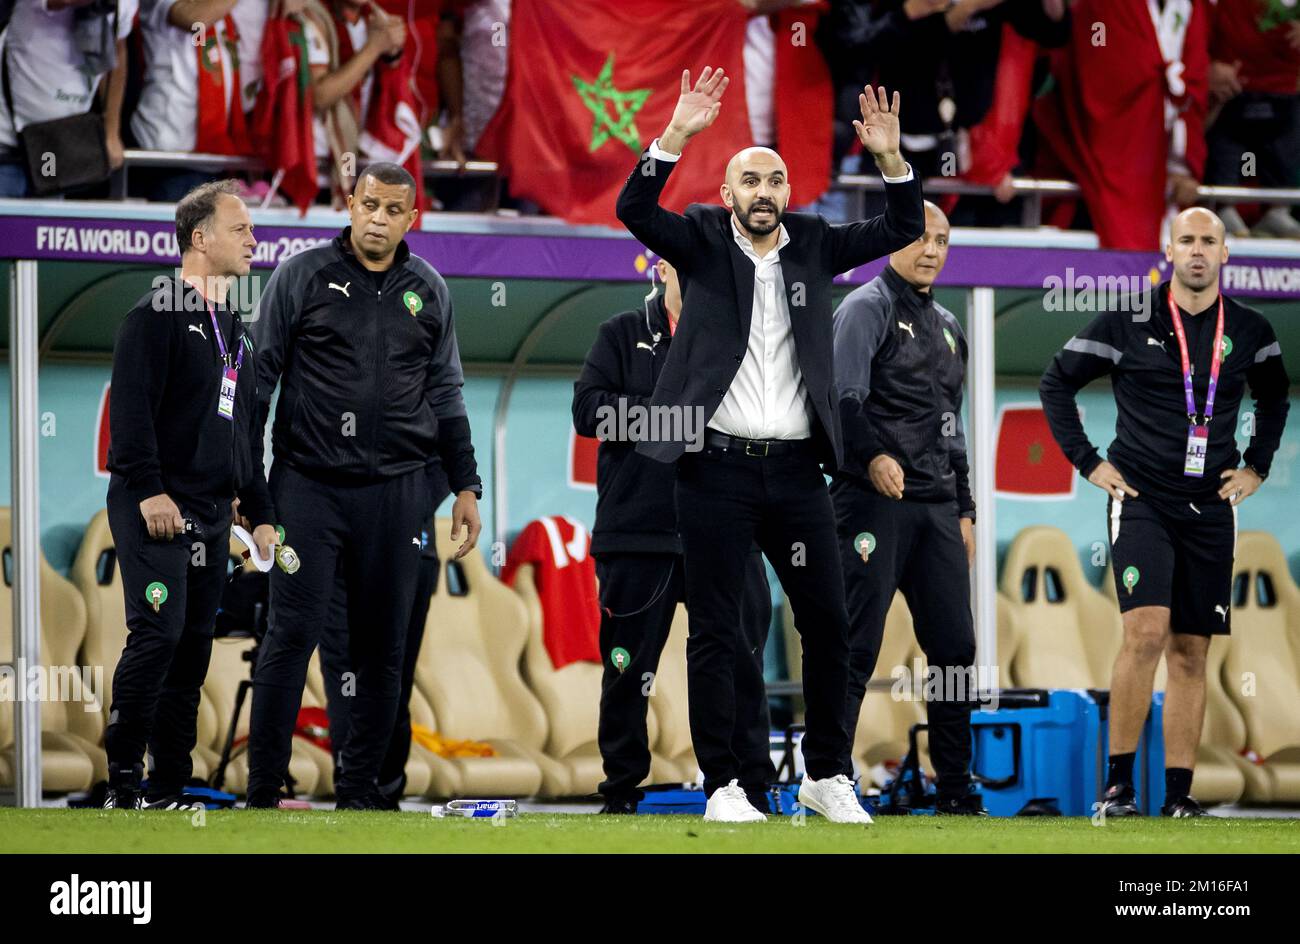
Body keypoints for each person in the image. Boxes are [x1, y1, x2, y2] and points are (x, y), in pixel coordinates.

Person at [615, 68, 924, 823]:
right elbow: (631, 207)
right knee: (720, 631)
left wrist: (890, 160)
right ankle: (723, 785)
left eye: (775, 179)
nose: (762, 189)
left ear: (788, 195)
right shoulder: (696, 238)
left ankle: (826, 774)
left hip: (795, 477)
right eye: (749, 178)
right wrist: (676, 136)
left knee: (829, 626)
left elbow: (899, 229)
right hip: (712, 471)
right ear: (727, 195)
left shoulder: (817, 244)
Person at [246, 161, 482, 810]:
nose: (378, 219)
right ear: (350, 205)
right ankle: (263, 792)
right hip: (307, 488)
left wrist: (467, 485)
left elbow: (448, 395)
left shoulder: (428, 289)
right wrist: (255, 499)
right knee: (291, 636)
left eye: (391, 210)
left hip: (398, 493)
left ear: (413, 218)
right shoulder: (300, 278)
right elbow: (254, 390)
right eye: (368, 205)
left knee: (385, 648)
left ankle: (360, 799)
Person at [1040, 207, 1291, 817]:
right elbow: (1056, 382)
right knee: (1146, 631)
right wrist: (1089, 463)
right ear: (1168, 252)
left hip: (1211, 506)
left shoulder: (1253, 330)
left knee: (1192, 650)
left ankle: (1179, 795)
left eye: (1210, 240)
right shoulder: (1128, 318)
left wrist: (1257, 465)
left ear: (1227, 253)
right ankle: (1119, 788)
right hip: (1141, 500)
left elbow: (1276, 395)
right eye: (1187, 240)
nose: (1198, 250)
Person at [572, 256, 776, 815]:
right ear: (663, 270)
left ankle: (748, 789)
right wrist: (674, 421)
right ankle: (620, 796)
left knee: (741, 666)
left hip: (730, 533)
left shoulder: (747, 338)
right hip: (637, 534)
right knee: (627, 672)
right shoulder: (620, 333)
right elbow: (588, 413)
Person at [104, 180, 278, 809]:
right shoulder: (154, 314)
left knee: (192, 649)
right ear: (199, 239)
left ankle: (168, 789)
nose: (253, 239)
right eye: (240, 228)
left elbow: (245, 438)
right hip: (153, 505)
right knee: (159, 633)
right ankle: (122, 780)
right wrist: (150, 490)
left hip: (210, 514)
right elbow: (131, 414)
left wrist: (259, 513)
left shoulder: (240, 331)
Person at [830, 200, 985, 814]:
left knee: (954, 649)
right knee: (854, 644)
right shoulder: (864, 308)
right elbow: (842, 402)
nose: (931, 250)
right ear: (896, 239)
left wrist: (965, 508)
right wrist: (872, 458)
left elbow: (954, 430)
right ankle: (831, 777)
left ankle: (954, 788)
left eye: (943, 241)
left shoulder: (949, 325)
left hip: (936, 508)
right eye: (922, 238)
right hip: (871, 501)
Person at [131, 0, 268, 201]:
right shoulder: (202, 8)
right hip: (168, 154)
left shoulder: (221, 8)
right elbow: (196, 20)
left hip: (214, 158)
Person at [0, 0, 135, 198]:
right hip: (7, 149)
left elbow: (117, 51)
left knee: (44, 228)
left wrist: (111, 130)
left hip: (59, 148)